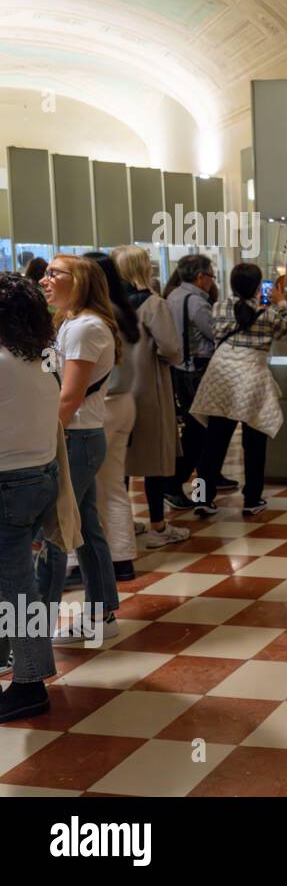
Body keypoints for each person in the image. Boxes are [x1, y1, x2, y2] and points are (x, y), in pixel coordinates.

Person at [37, 255, 121, 644]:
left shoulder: (85, 328)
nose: (45, 279)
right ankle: (101, 612)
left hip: (75, 437)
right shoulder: (74, 323)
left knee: (55, 530)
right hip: (81, 436)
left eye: (55, 273)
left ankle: (34, 630)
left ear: (82, 280)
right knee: (85, 526)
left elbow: (68, 396)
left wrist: (40, 437)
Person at [190, 263, 287, 517]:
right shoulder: (269, 314)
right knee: (255, 441)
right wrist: (281, 303)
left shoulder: (218, 307)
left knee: (213, 443)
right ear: (259, 286)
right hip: (252, 376)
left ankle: (202, 499)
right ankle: (252, 499)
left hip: (221, 375)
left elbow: (217, 329)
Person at [0, 275, 60, 719]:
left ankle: (30, 683)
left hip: (8, 482)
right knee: (18, 581)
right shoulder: (41, 355)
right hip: (39, 476)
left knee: (15, 585)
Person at [111, 245, 190, 550]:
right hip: (150, 386)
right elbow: (171, 348)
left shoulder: (108, 305)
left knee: (122, 460)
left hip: (118, 388)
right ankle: (158, 525)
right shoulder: (153, 304)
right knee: (155, 458)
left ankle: (125, 523)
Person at [83, 252, 142, 581]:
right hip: (123, 402)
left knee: (89, 488)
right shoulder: (122, 311)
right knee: (114, 485)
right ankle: (121, 557)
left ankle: (92, 563)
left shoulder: (97, 317)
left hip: (101, 405)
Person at [165, 254, 232, 509]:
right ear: (200, 276)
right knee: (201, 434)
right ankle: (176, 483)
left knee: (195, 431)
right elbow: (214, 333)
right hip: (198, 371)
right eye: (211, 276)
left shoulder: (173, 296)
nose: (211, 281)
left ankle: (185, 484)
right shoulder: (196, 303)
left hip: (181, 370)